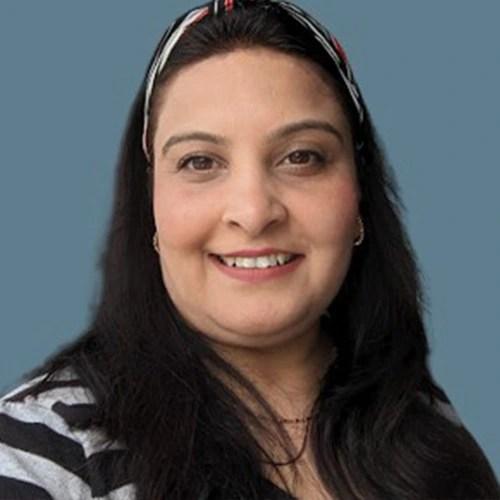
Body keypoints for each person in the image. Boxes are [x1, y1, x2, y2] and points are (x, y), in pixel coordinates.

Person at [0, 1, 498, 498]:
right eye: (200, 162)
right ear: (150, 203)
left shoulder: (429, 431)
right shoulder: (42, 452)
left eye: (301, 157)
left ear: (359, 196)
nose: (254, 211)